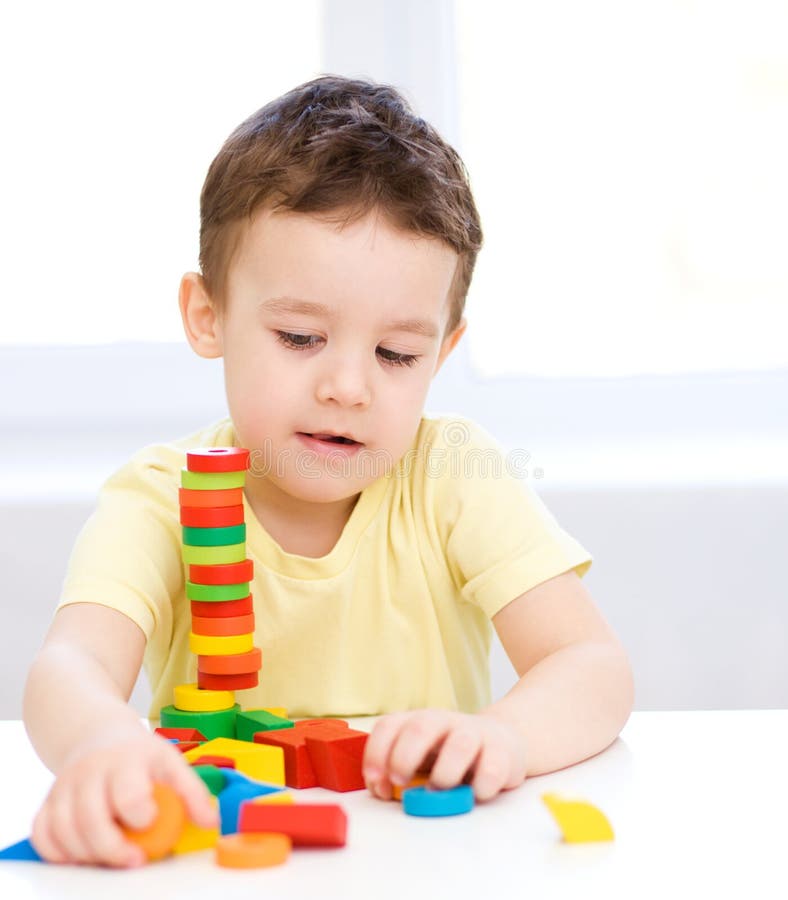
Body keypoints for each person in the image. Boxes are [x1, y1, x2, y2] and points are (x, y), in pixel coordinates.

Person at [23, 74, 634, 867]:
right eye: (301, 337)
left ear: (441, 354)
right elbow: (69, 666)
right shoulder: (161, 496)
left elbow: (591, 666)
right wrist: (104, 746)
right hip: (220, 867)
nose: (347, 387)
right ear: (209, 317)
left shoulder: (448, 474)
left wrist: (501, 737)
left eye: (395, 354)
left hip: (431, 861)